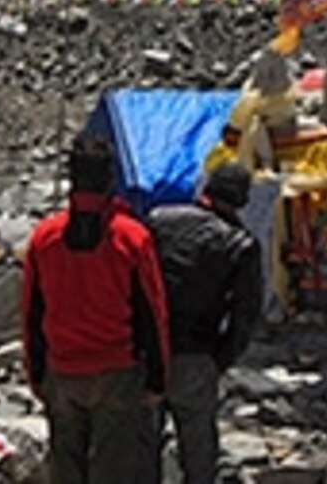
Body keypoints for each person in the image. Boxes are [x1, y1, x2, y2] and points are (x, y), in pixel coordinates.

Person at [23, 134, 170, 484]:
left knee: (66, 468)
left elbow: (31, 311)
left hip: (62, 369)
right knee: (113, 470)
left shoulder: (44, 237)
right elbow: (153, 312)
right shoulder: (132, 238)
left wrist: (36, 372)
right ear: (109, 179)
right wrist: (158, 377)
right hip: (116, 371)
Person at [146, 163, 261, 483]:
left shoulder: (158, 220)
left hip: (146, 352)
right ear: (242, 200)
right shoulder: (240, 243)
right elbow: (245, 315)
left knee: (141, 453)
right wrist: (219, 359)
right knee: (199, 457)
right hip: (196, 356)